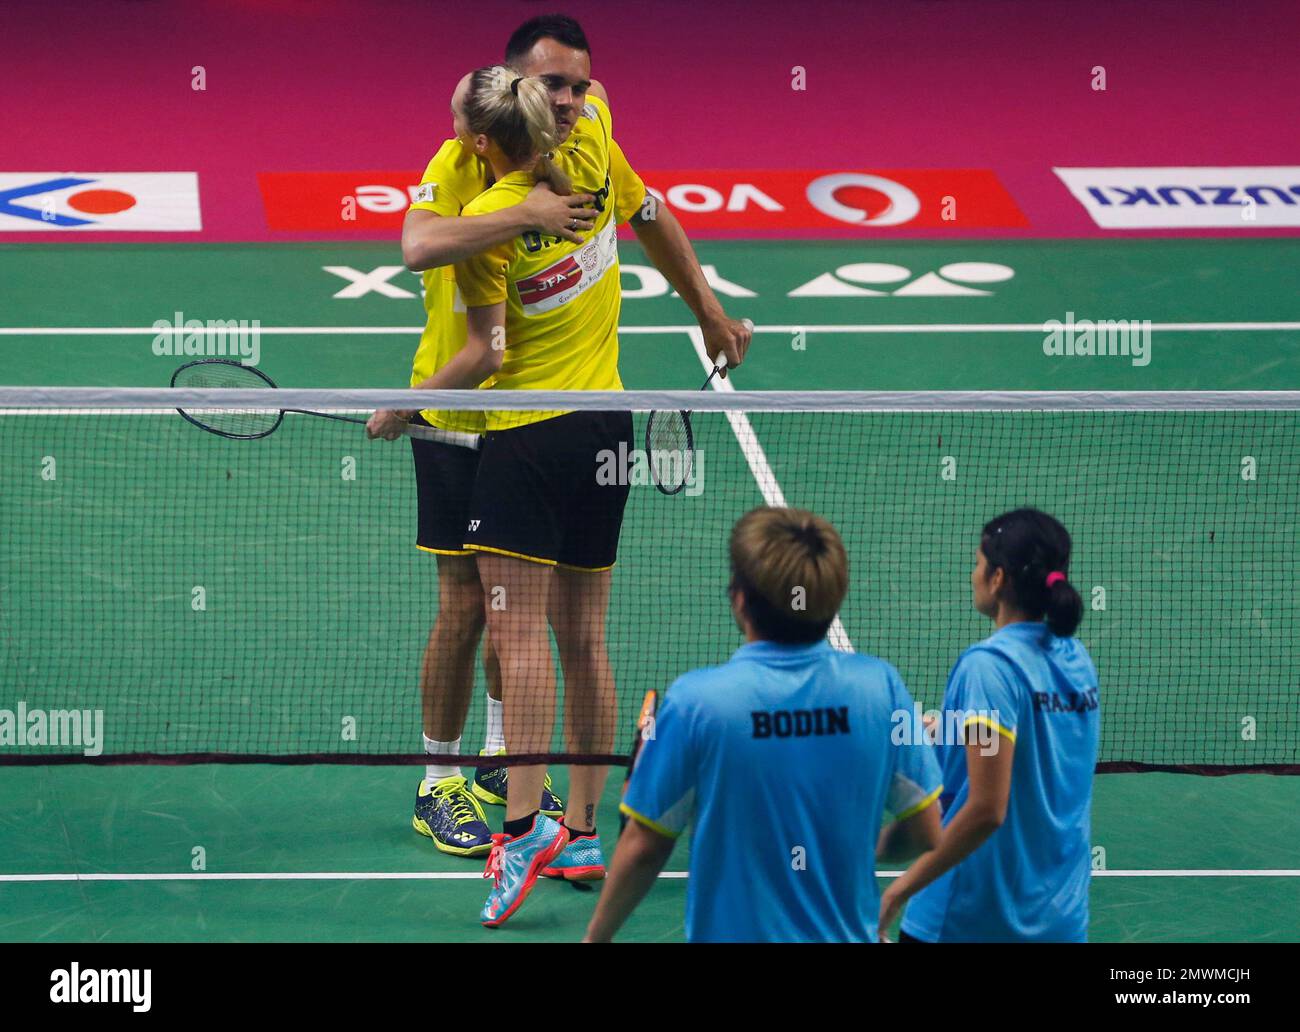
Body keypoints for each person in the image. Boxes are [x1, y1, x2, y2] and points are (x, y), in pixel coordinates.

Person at [367, 13, 751, 858]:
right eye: (554, 85)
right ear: (511, 90)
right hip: (451, 410)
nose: (573, 100)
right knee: (467, 607)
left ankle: (504, 759)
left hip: (535, 423)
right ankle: (437, 780)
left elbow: (649, 211)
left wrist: (708, 310)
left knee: (520, 615)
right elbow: (418, 244)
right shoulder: (459, 160)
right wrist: (525, 213)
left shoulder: (593, 135)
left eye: (580, 84)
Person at [584, 507, 944, 943]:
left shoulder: (698, 703)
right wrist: (856, 848)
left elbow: (645, 847)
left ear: (739, 598)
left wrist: (594, 939)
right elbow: (927, 830)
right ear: (835, 596)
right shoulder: (881, 690)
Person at [881, 507, 1099, 942]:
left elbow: (986, 809)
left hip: (970, 916)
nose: (973, 574)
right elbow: (1029, 731)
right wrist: (946, 729)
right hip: (1058, 919)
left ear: (997, 578)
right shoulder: (1077, 660)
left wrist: (899, 890)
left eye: (978, 563)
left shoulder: (988, 667)